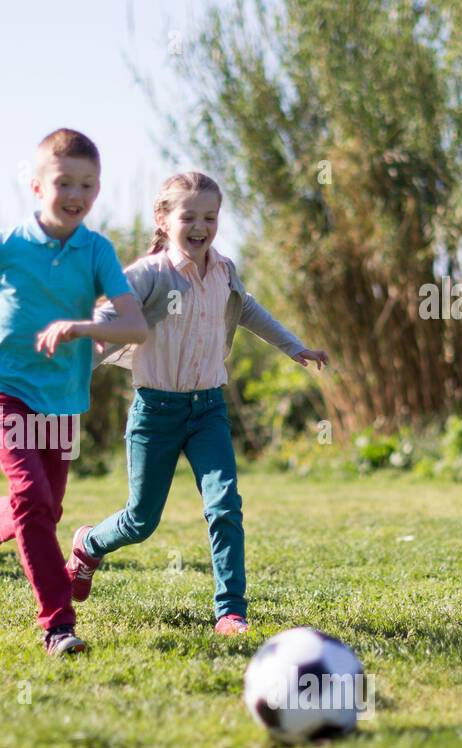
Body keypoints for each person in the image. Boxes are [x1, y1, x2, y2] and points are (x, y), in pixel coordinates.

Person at [0, 129, 148, 656]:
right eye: (64, 182)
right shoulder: (10, 244)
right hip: (5, 388)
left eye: (88, 184)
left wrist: (81, 329)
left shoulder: (96, 250)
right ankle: (57, 625)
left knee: (43, 509)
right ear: (37, 186)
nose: (76, 195)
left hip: (62, 398)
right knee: (36, 504)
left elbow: (135, 327)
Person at [66, 171, 329, 633]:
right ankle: (89, 544)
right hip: (156, 413)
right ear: (164, 219)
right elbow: (107, 322)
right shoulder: (149, 275)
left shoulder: (223, 271)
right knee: (141, 520)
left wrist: (294, 346)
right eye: (189, 216)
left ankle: (230, 611)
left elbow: (246, 308)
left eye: (210, 216)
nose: (201, 226)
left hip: (208, 409)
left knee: (224, 505)